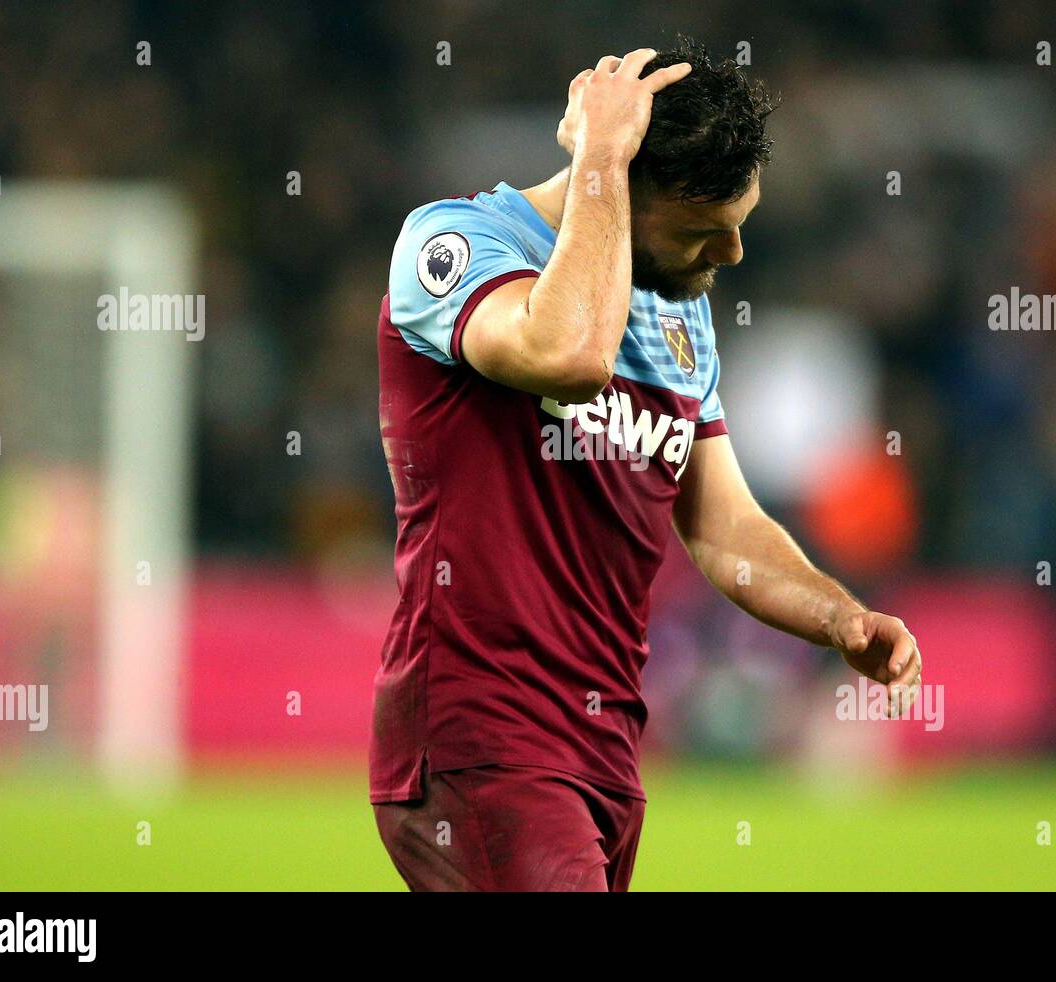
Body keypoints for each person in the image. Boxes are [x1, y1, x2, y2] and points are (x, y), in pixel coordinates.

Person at [371, 37, 921, 891]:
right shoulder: (455, 246)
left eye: (740, 225)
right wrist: (599, 155)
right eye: (706, 230)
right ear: (619, 191)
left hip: (603, 749)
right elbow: (565, 355)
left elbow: (722, 523)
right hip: (482, 738)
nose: (732, 255)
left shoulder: (677, 318)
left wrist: (838, 616)